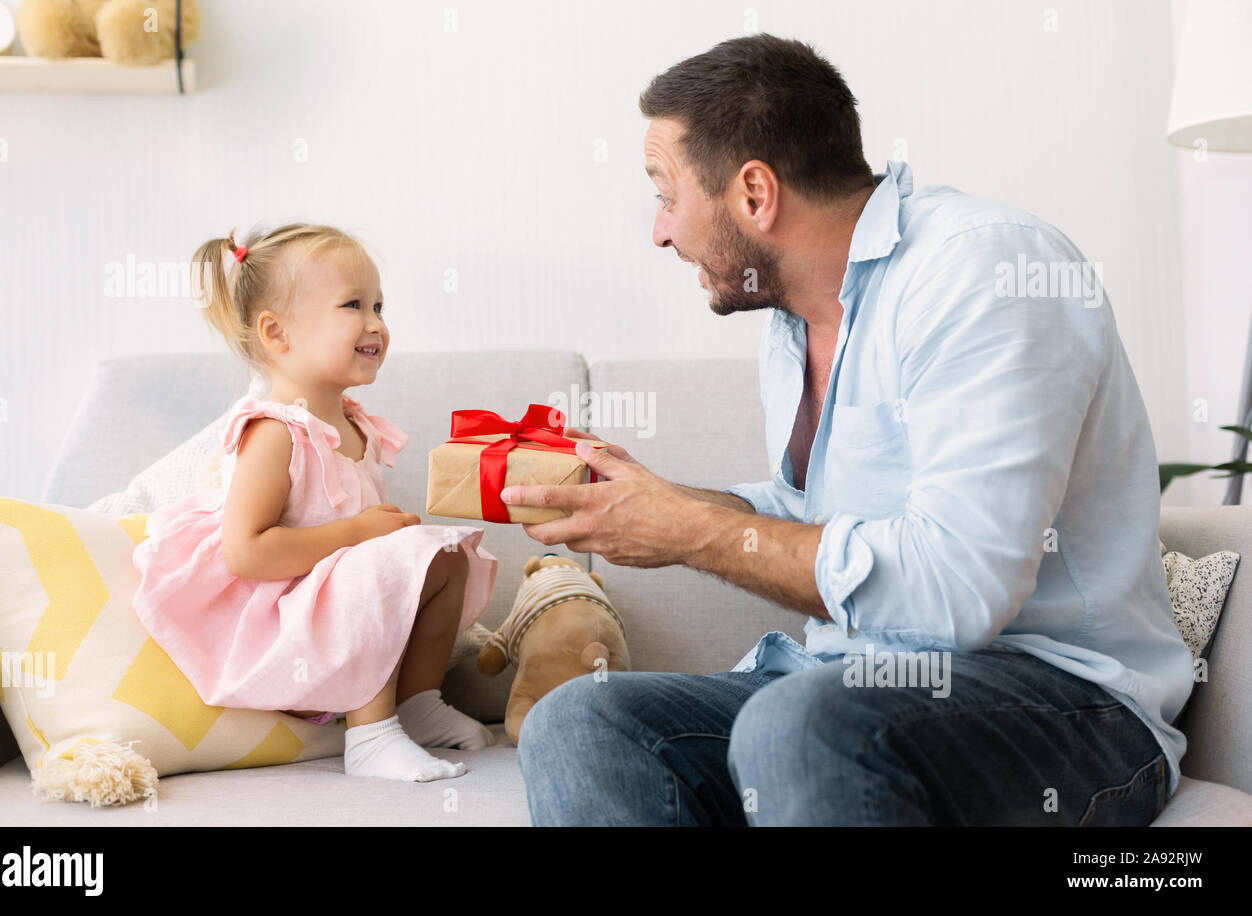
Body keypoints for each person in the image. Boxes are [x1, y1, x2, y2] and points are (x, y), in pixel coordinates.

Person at [504, 34, 1194, 825]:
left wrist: (689, 532)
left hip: (1068, 709)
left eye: (665, 193)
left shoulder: (983, 272)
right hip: (851, 688)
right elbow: (814, 520)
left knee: (799, 721)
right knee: (581, 722)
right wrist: (655, 503)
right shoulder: (796, 323)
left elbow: (958, 591)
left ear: (754, 193)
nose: (660, 231)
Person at [131, 223, 499, 783]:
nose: (376, 322)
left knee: (444, 558)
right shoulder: (274, 433)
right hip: (280, 638)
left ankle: (415, 705)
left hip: (337, 631)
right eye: (353, 305)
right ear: (277, 334)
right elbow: (247, 554)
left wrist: (391, 538)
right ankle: (370, 738)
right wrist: (361, 534)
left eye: (379, 305)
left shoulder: (354, 426)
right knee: (383, 559)